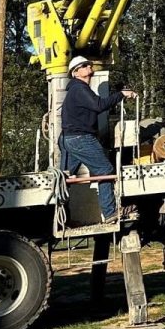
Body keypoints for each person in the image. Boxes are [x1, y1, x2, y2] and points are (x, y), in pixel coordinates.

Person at [58, 55, 137, 223]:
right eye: (85, 65)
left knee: (63, 179)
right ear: (76, 72)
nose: (89, 67)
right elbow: (99, 105)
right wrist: (120, 95)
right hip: (80, 138)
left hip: (69, 138)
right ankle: (110, 212)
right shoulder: (79, 89)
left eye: (89, 64)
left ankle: (58, 216)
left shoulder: (76, 89)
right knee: (105, 171)